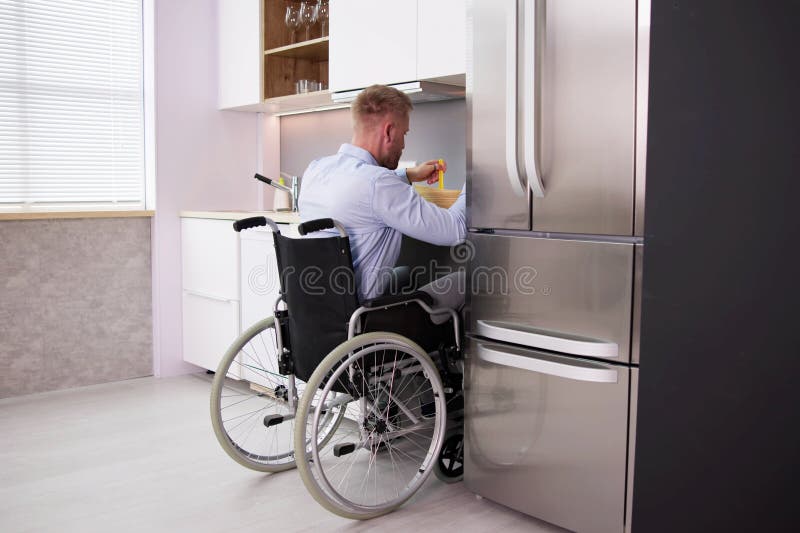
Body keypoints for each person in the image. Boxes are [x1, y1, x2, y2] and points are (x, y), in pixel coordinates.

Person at [298, 84, 466, 317]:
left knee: (405, 274)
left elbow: (359, 194)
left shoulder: (316, 169)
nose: (404, 145)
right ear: (389, 132)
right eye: (404, 134)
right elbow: (455, 229)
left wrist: (407, 175)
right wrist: (477, 178)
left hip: (319, 312)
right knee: (467, 280)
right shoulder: (378, 183)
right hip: (363, 317)